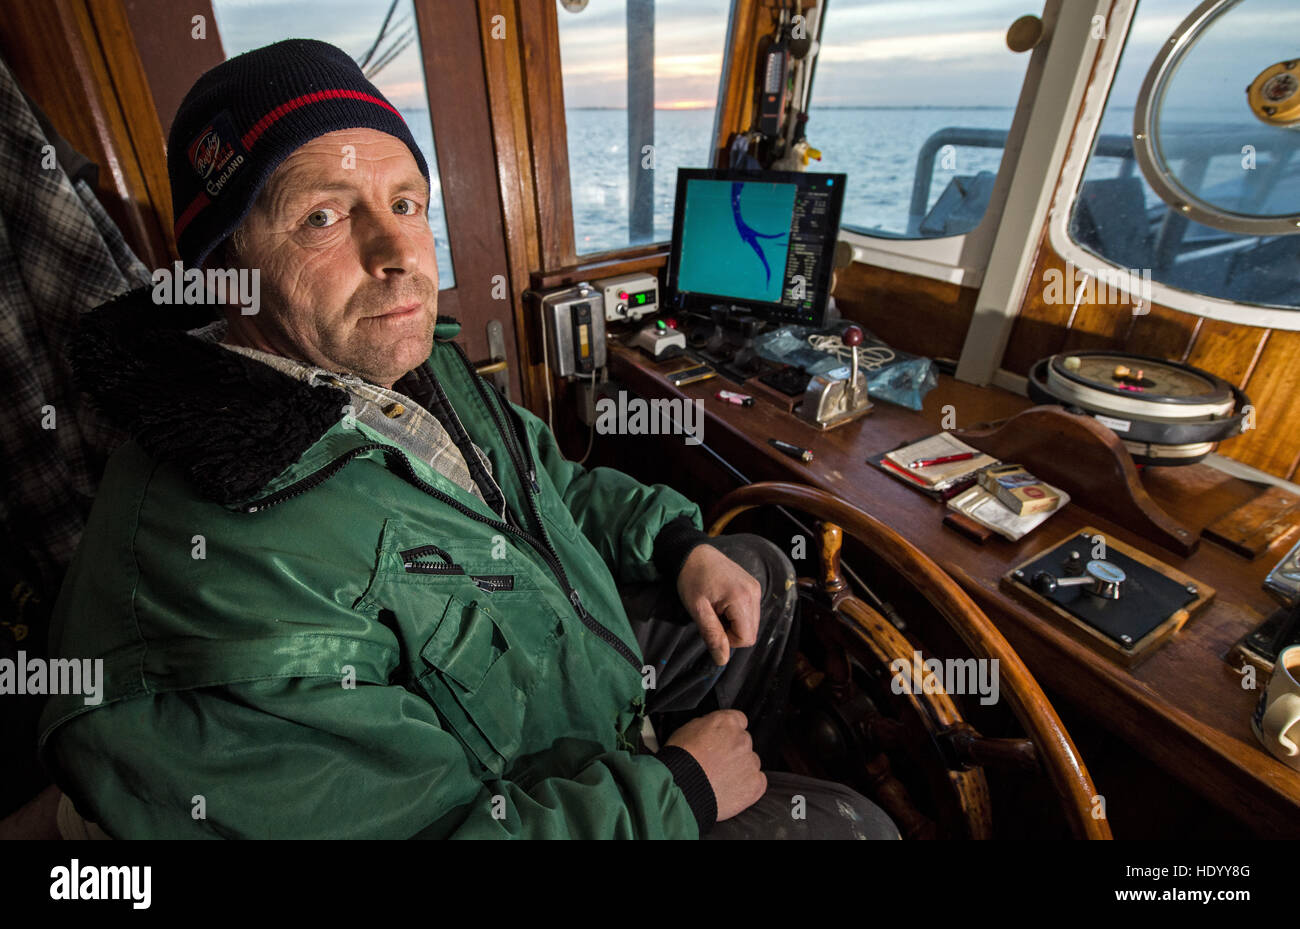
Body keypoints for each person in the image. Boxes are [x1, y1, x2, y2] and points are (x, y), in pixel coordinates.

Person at [38, 39, 897, 840]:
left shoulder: (401, 365)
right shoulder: (205, 592)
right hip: (560, 798)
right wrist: (675, 793)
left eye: (405, 202)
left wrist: (676, 543)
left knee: (756, 571)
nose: (397, 252)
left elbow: (546, 486)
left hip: (566, 682)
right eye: (323, 217)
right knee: (863, 825)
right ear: (221, 268)